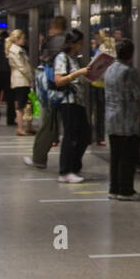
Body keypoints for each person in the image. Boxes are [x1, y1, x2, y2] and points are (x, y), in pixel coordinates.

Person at [105, 38, 140, 199]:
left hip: (111, 118)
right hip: (127, 120)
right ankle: (126, 189)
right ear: (131, 53)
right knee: (128, 156)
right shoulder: (130, 71)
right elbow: (138, 95)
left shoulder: (109, 69)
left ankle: (114, 188)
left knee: (115, 156)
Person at [25, 15, 68, 170]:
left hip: (51, 91)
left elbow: (45, 65)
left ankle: (39, 158)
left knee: (48, 125)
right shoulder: (68, 41)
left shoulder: (51, 43)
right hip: (65, 90)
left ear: (53, 26)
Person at [53, 28, 92, 183]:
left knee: (84, 135)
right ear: (73, 43)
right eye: (80, 43)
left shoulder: (74, 58)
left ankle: (74, 167)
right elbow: (59, 80)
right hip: (68, 102)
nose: (81, 46)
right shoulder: (62, 58)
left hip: (78, 102)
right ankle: (65, 171)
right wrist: (78, 73)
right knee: (70, 136)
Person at [6, 28, 35, 135]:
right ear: (17, 39)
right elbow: (22, 67)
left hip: (21, 80)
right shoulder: (16, 51)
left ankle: (27, 126)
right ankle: (21, 127)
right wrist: (31, 77)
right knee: (21, 105)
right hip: (21, 80)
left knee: (27, 104)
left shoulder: (17, 50)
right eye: (23, 38)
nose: (24, 40)